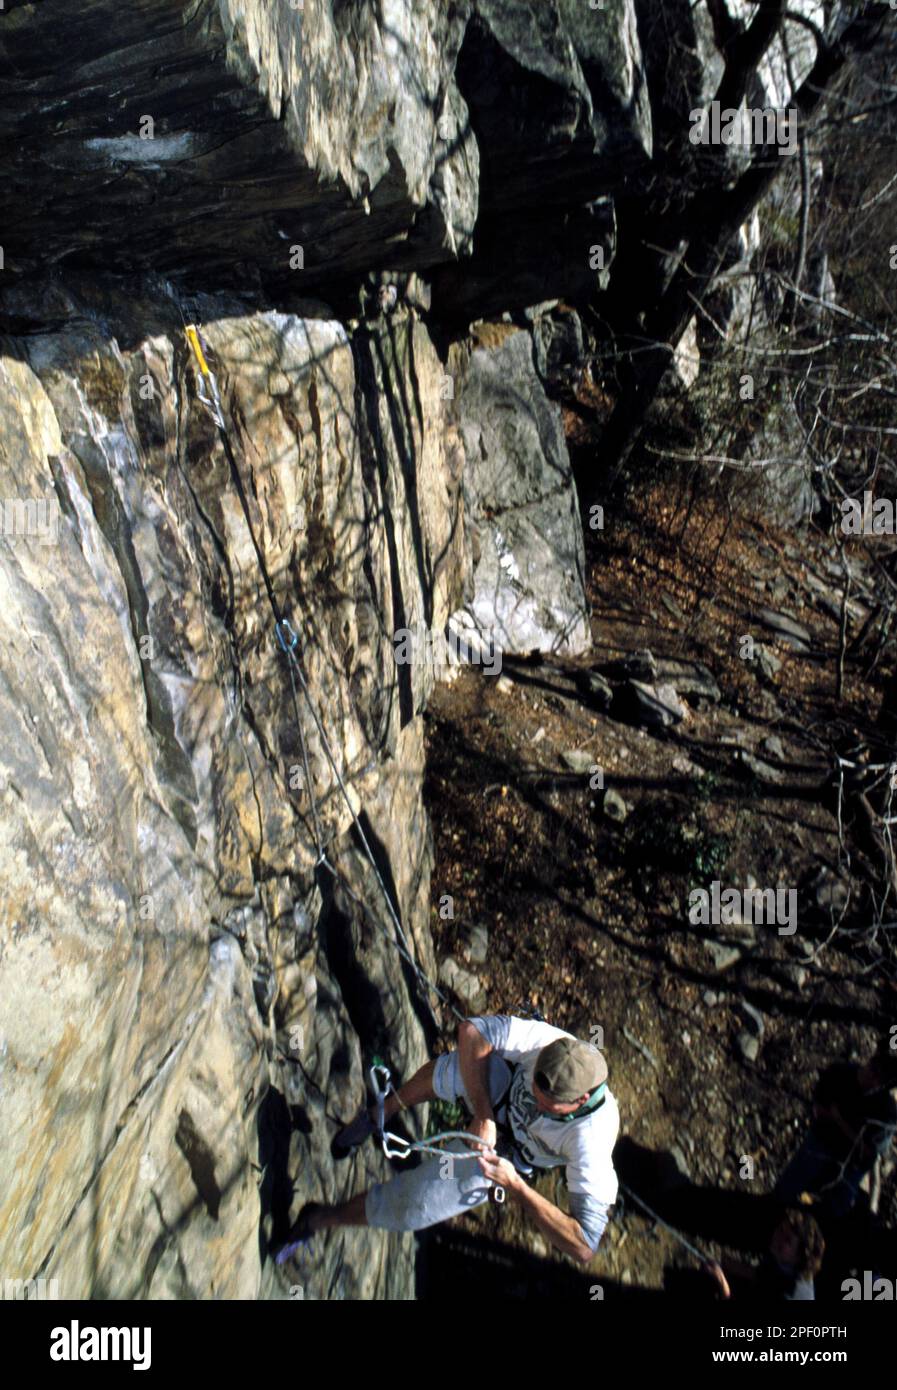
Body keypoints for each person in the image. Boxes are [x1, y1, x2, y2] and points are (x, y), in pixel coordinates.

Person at [274, 1013, 619, 1264]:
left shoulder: (592, 1142)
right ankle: (383, 1112)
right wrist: (483, 1114)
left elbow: (584, 1245)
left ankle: (318, 1218)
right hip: (497, 1099)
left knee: (415, 1207)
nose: (538, 1103)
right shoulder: (548, 1041)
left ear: (579, 1102)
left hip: (509, 1161)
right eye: (535, 1093)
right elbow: (471, 1031)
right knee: (457, 1070)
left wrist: (515, 1187)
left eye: (548, 1105)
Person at [774, 1045, 897, 1219]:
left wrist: (840, 1121)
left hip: (852, 1165)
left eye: (880, 1080)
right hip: (823, 1142)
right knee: (788, 1186)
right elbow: (818, 1108)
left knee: (837, 1210)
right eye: (873, 1071)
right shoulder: (840, 1072)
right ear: (869, 1062)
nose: (873, 1080)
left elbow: (869, 1153)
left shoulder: (887, 1113)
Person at [704, 1209, 825, 1301]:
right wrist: (732, 1265)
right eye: (781, 1229)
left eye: (787, 1240)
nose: (779, 1237)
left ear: (800, 1256)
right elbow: (762, 1275)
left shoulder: (788, 1293)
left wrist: (721, 1282)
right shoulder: (782, 1258)